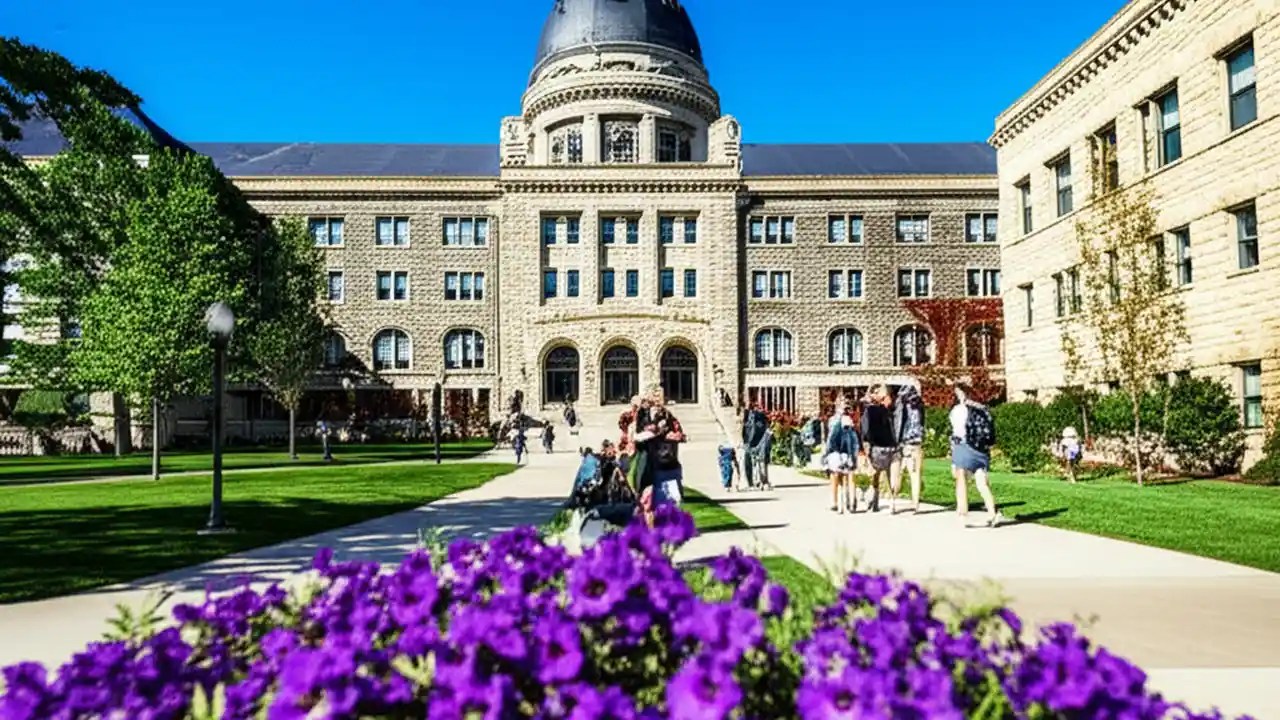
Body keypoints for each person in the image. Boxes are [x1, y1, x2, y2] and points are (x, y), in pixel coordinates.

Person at [950, 382, 1007, 528]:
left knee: (961, 478)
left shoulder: (958, 410)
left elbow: (956, 429)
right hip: (982, 450)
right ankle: (992, 513)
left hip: (963, 446)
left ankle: (963, 513)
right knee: (982, 483)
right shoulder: (981, 408)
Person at [860, 385, 899, 513]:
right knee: (891, 475)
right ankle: (892, 502)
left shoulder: (869, 411)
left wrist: (866, 447)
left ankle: (874, 499)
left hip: (877, 447)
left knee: (875, 475)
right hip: (892, 445)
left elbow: (865, 431)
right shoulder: (890, 411)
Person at [893, 384, 927, 513]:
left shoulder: (902, 407)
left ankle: (893, 502)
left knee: (898, 473)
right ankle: (916, 504)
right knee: (915, 474)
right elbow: (922, 423)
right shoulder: (920, 407)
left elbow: (898, 424)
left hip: (903, 443)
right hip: (917, 442)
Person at [823, 412, 860, 514]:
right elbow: (855, 444)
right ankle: (851, 502)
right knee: (850, 476)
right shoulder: (851, 428)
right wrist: (854, 457)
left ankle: (836, 501)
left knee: (836, 476)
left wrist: (825, 456)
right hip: (847, 455)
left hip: (835, 455)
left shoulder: (834, 423)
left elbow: (830, 442)